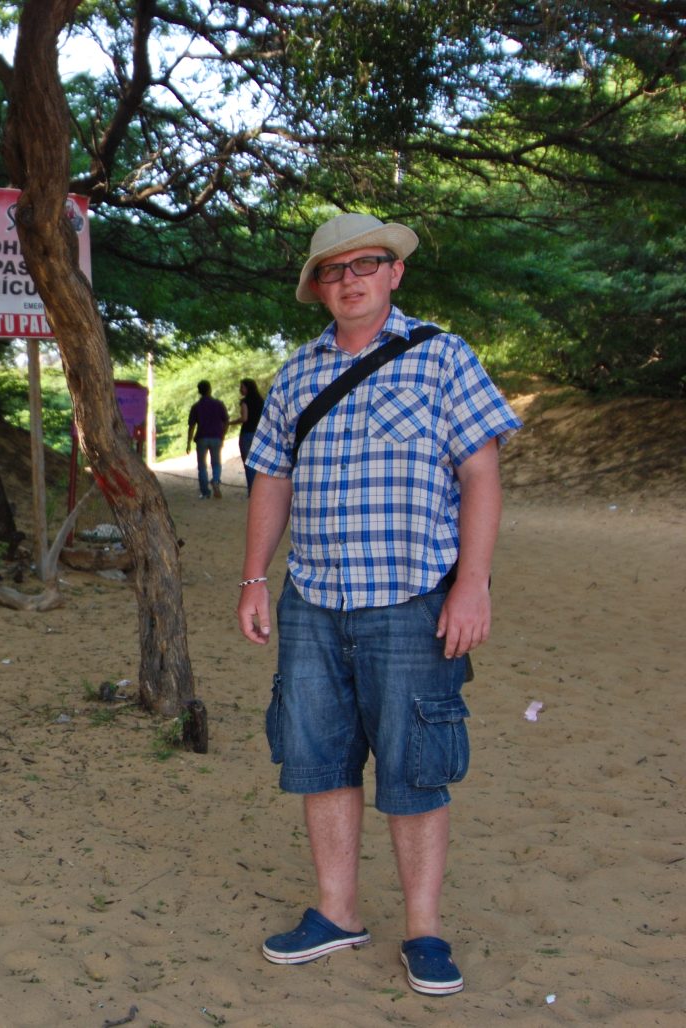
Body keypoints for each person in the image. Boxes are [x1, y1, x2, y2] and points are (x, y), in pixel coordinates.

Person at [235, 212, 521, 997]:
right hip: (314, 602)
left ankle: (424, 929)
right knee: (319, 760)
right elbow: (271, 478)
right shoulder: (296, 374)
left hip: (413, 602)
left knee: (415, 768)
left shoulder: (443, 357)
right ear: (318, 288)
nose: (350, 278)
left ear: (394, 273)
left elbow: (481, 475)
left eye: (367, 264)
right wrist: (255, 578)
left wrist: (472, 584)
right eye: (334, 270)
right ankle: (336, 912)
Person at [185, 380, 229, 499]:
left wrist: (188, 443)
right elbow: (226, 421)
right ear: (210, 389)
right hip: (216, 437)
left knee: (202, 466)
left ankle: (205, 492)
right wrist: (222, 434)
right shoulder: (219, 404)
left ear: (199, 391)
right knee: (216, 463)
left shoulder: (196, 407)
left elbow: (192, 426)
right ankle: (215, 480)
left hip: (202, 438)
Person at [236, 378, 265, 496]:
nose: (240, 389)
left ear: (247, 388)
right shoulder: (261, 401)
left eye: (242, 387)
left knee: (249, 464)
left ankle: (252, 491)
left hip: (247, 433)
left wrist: (230, 422)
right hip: (259, 434)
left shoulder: (245, 402)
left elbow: (244, 418)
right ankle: (261, 490)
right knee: (259, 463)